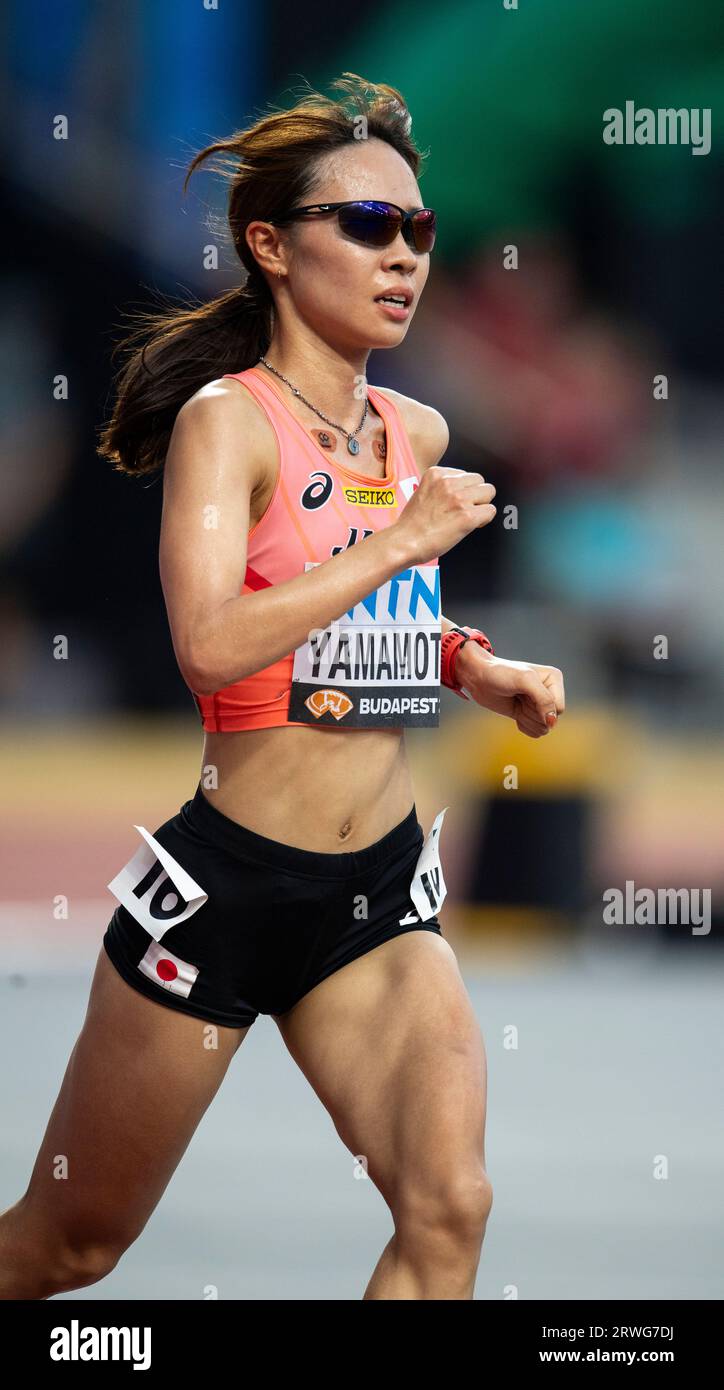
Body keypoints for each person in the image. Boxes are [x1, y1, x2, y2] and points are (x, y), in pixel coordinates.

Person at [0, 74, 564, 1301]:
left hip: (376, 894)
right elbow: (211, 644)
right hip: (226, 895)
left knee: (448, 1205)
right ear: (270, 244)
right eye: (367, 225)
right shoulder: (229, 422)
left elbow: (371, 612)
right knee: (68, 1246)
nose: (403, 255)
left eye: (418, 231)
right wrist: (404, 541)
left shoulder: (411, 432)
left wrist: (476, 663)